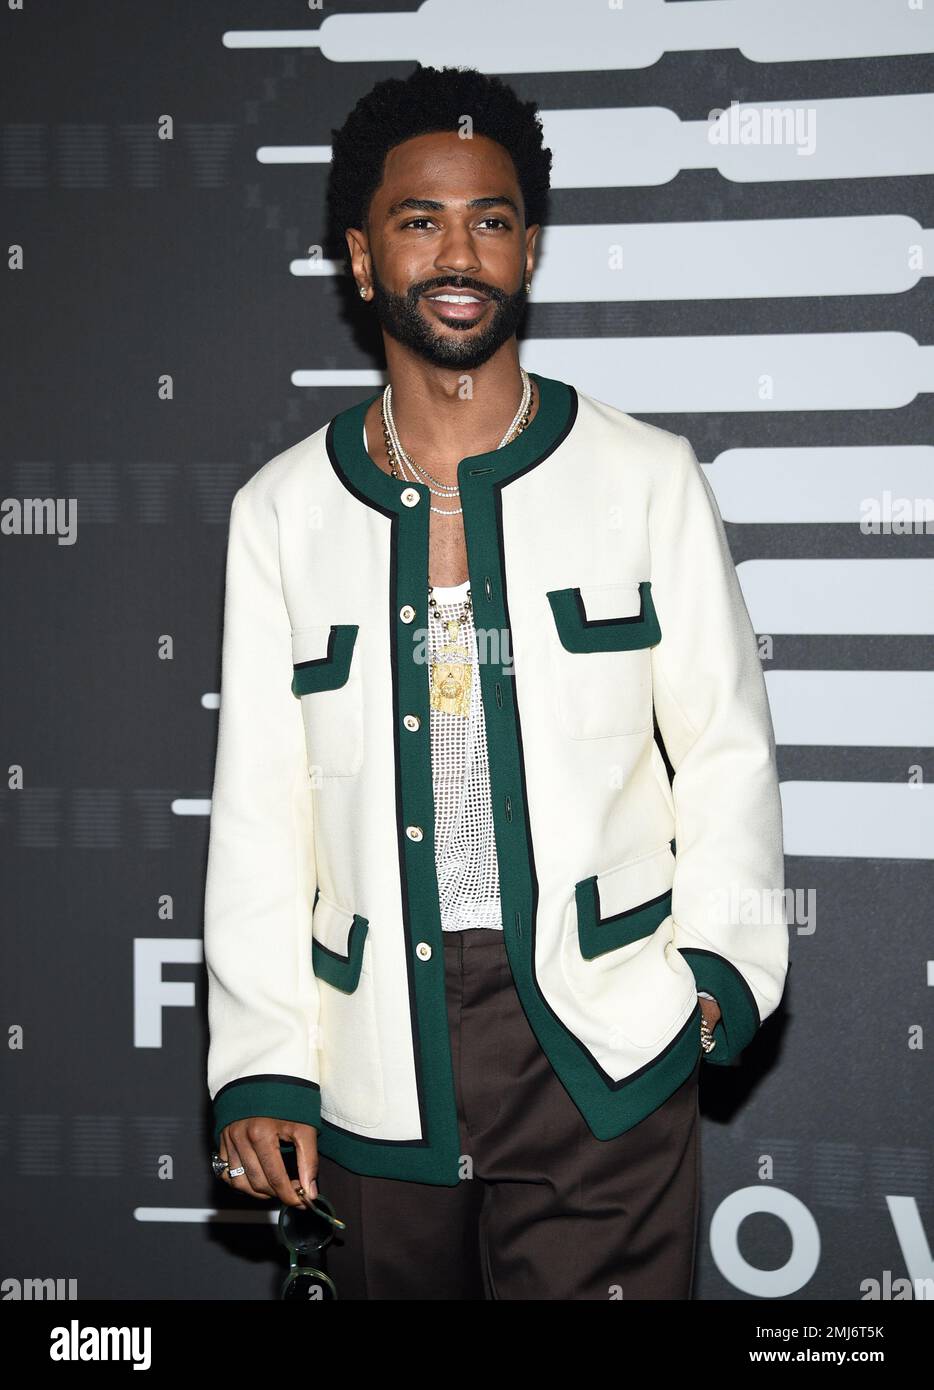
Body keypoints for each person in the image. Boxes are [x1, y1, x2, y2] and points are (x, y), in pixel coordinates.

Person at [204, 63, 789, 1300]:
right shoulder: (281, 515)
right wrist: (263, 1061)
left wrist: (715, 979)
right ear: (363, 261)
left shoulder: (646, 476)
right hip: (375, 1050)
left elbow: (726, 748)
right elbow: (262, 812)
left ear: (529, 251)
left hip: (601, 1038)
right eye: (418, 221)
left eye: (490, 219)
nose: (456, 251)